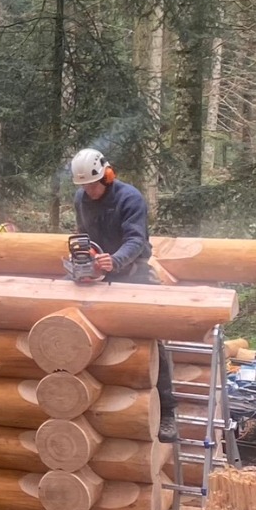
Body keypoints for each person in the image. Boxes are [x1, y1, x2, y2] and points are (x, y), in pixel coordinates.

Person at [69, 147, 176, 443]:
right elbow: (84, 232)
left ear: (107, 175)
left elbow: (136, 240)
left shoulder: (130, 198)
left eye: (92, 185)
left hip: (133, 271)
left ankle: (168, 412)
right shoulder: (81, 198)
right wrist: (84, 256)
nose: (89, 191)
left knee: (152, 336)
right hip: (100, 269)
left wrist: (115, 260)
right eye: (83, 187)